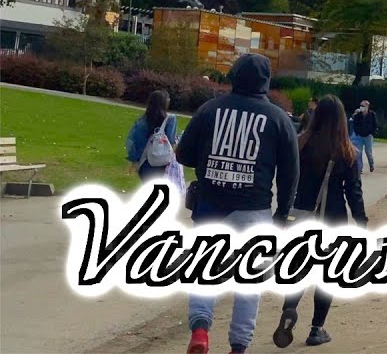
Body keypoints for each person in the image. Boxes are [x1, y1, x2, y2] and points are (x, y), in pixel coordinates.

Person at [176, 53, 299, 354]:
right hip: (254, 209)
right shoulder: (278, 118)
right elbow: (290, 172)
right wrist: (282, 213)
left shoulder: (209, 110)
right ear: (266, 82)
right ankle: (238, 345)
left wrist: (209, 165)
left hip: (210, 204)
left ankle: (201, 330)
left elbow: (183, 155)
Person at [272, 95, 368, 348]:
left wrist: (282, 211)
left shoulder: (300, 144)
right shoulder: (347, 152)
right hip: (332, 218)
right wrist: (361, 221)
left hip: (302, 216)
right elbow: (354, 193)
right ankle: (317, 328)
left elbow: (286, 181)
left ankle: (289, 309)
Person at [126, 90, 179, 181]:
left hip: (145, 162)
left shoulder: (143, 121)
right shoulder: (170, 119)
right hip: (162, 161)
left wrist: (134, 159)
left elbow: (134, 141)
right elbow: (171, 141)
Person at [349, 100, 377, 173]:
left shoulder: (372, 114)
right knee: (359, 153)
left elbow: (375, 125)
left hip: (368, 136)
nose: (361, 107)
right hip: (359, 136)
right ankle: (359, 169)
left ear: (367, 106)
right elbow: (355, 125)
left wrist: (372, 133)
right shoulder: (358, 115)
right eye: (361, 105)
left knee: (368, 152)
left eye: (363, 106)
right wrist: (357, 132)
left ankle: (371, 164)